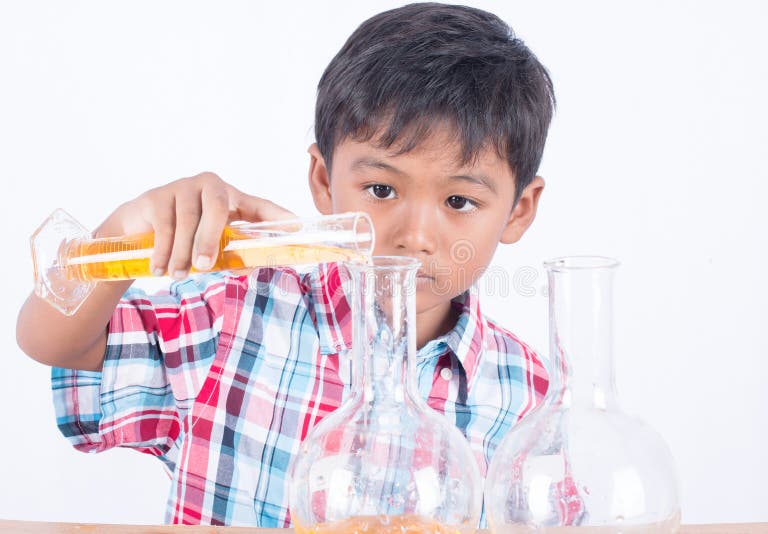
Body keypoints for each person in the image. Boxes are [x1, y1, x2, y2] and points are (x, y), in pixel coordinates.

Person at [17, 2, 554, 527]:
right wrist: (121, 236)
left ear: (519, 210)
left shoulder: (529, 396)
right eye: (381, 189)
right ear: (323, 180)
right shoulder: (234, 317)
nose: (414, 238)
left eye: (459, 202)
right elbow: (54, 342)